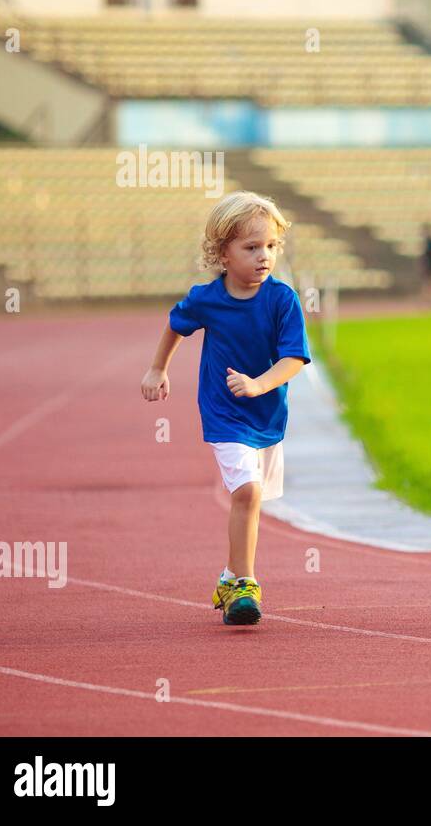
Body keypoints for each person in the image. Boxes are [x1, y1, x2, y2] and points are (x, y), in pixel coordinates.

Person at [140, 192, 311, 626]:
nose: (264, 256)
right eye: (251, 248)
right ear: (222, 253)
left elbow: (293, 359)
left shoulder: (282, 300)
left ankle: (229, 575)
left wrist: (260, 384)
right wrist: (157, 369)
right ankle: (244, 586)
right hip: (224, 414)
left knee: (257, 498)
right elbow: (175, 324)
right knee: (247, 493)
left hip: (267, 416)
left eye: (271, 246)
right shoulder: (206, 299)